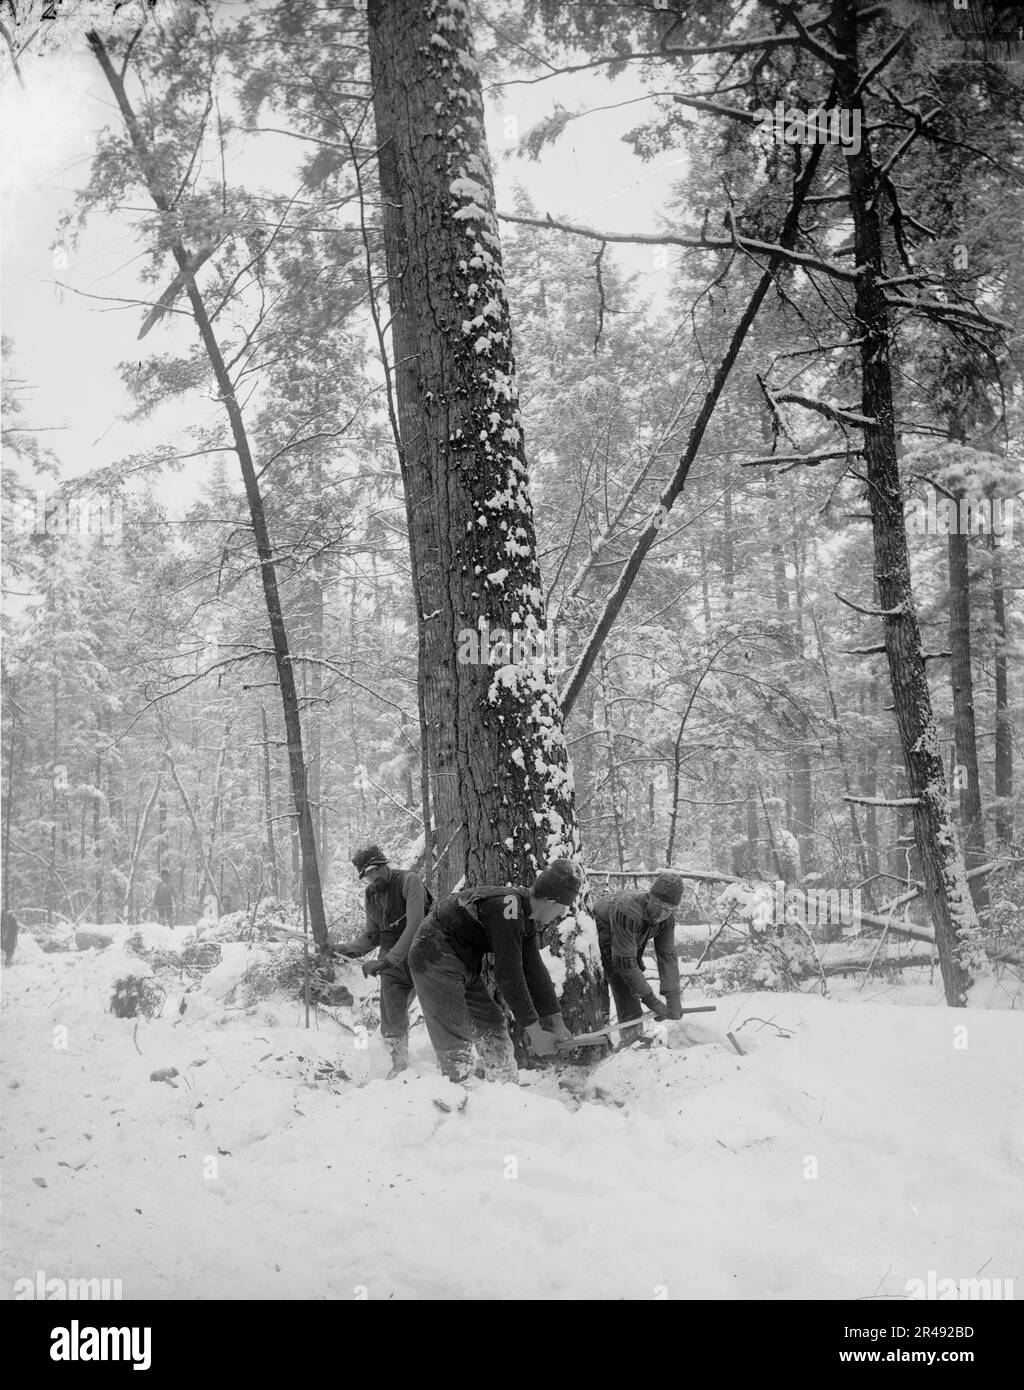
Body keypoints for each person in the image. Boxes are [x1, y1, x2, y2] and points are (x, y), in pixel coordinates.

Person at [407, 858, 581, 1085]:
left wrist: (557, 1022)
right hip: (433, 956)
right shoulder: (509, 908)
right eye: (561, 908)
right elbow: (509, 974)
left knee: (491, 1023)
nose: (560, 915)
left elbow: (534, 971)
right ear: (549, 901)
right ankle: (459, 1095)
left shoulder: (524, 914)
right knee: (454, 1037)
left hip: (462, 962)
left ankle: (504, 1088)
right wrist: (535, 1033)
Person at [336, 845, 431, 1080]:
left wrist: (386, 962)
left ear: (382, 866)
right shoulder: (371, 894)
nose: (370, 879)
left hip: (426, 956)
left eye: (373, 872)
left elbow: (416, 925)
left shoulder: (410, 882)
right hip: (393, 965)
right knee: (391, 1015)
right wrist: (344, 950)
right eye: (365, 876)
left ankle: (455, 1064)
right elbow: (373, 936)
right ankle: (398, 1067)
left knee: (440, 1009)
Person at [594, 873, 685, 1044]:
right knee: (622, 979)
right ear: (649, 898)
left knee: (632, 974)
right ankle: (629, 1039)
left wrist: (673, 997)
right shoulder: (627, 910)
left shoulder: (666, 919)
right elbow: (624, 962)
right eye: (658, 906)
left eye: (668, 910)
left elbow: (668, 956)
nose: (661, 913)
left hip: (631, 935)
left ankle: (631, 1037)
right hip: (602, 927)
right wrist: (651, 1000)